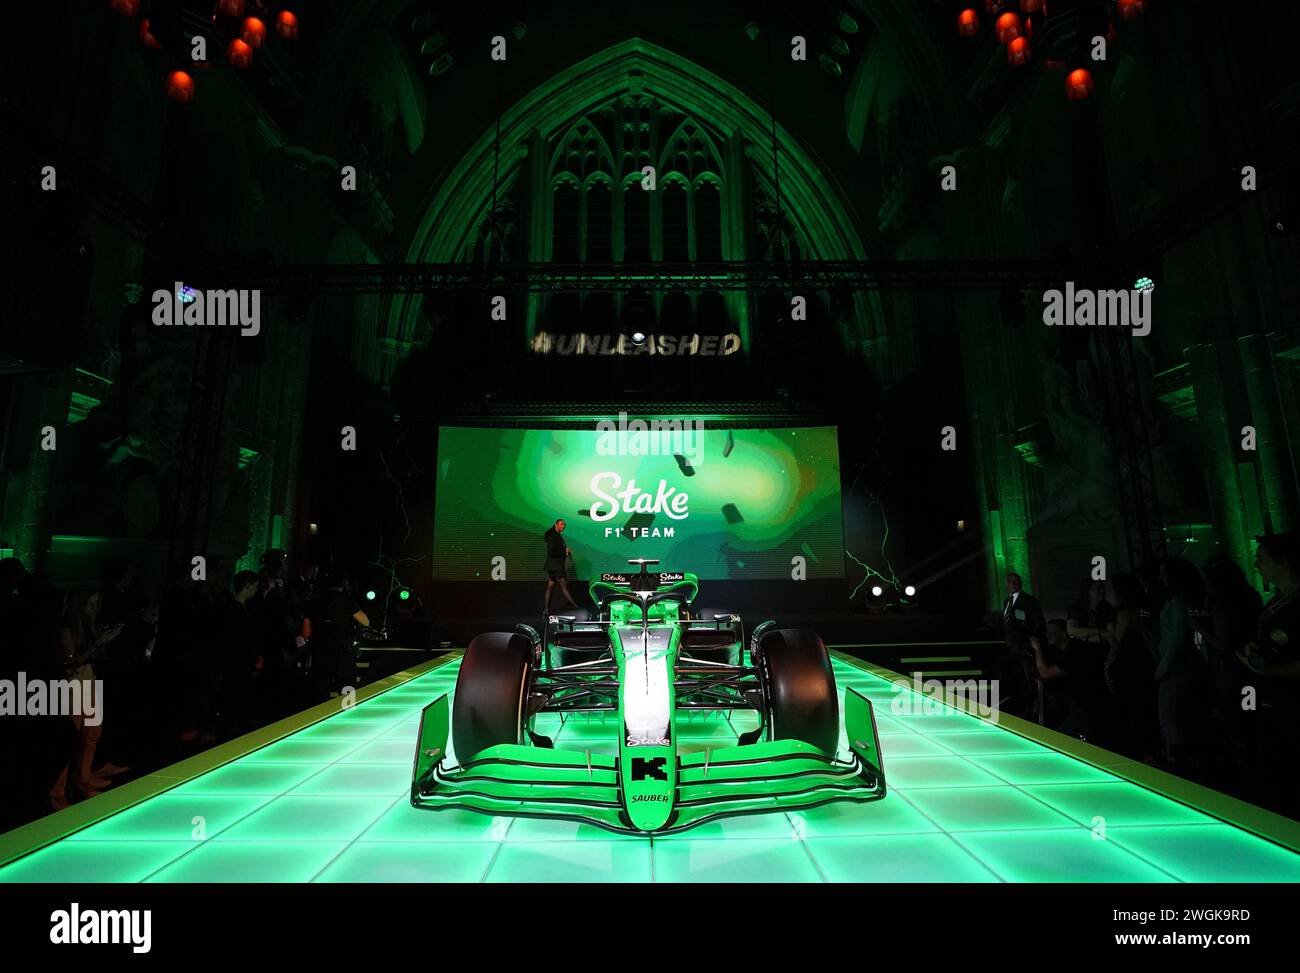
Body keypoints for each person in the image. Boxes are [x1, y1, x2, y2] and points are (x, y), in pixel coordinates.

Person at [1237, 532, 1300, 818]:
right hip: (1272, 701)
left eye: (1261, 559)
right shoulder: (1276, 603)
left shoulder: (1295, 606)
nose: (1256, 564)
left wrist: (1270, 668)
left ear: (1283, 563)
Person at [1192, 554, 1264, 797]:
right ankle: (1259, 780)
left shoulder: (1222, 604)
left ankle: (1245, 786)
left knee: (1235, 727)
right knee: (1251, 723)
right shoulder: (1250, 596)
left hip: (1229, 672)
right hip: (1252, 671)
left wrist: (1199, 626)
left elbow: (1223, 645)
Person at [1152, 558, 1210, 774]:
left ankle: (1182, 769)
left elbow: (1178, 637)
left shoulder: (1178, 600)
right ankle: (1189, 766)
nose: (1161, 577)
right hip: (1182, 667)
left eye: (1164, 572)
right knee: (1182, 719)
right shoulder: (1185, 599)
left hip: (1178, 670)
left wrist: (1164, 668)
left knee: (1173, 720)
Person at [1107, 573, 1160, 763]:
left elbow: (1117, 642)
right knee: (1147, 706)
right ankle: (1154, 751)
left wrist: (1108, 665)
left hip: (1129, 662)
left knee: (1134, 708)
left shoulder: (1124, 612)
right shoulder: (1144, 608)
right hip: (1145, 659)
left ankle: (1141, 753)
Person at [1029, 619, 1107, 739]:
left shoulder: (1073, 653)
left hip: (1088, 704)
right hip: (1084, 701)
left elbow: (1045, 673)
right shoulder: (1073, 647)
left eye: (1051, 632)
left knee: (1061, 737)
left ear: (1062, 634)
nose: (1047, 636)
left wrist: (1037, 648)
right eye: (1046, 632)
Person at [999, 572, 1045, 720]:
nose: (1011, 583)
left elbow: (1037, 623)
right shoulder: (1007, 601)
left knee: (1028, 683)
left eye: (1014, 581)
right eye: (1009, 581)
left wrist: (1030, 641)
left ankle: (1030, 713)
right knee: (1015, 682)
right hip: (1010, 647)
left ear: (1020, 583)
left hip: (1024, 648)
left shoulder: (1029, 601)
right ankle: (1018, 709)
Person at [543, 518, 580, 613]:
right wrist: (565, 551)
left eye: (563, 525)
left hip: (554, 566)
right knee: (563, 585)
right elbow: (552, 551)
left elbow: (557, 548)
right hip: (556, 566)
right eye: (561, 524)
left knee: (550, 586)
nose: (562, 526)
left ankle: (546, 608)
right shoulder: (553, 535)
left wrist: (565, 550)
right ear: (555, 524)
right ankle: (574, 605)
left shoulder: (557, 535)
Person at [1067, 579, 1115, 643]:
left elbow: (1110, 633)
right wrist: (1100, 631)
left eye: (1102, 588)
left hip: (1100, 646)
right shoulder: (1076, 607)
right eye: (1098, 589)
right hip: (1079, 646)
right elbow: (1071, 631)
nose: (1102, 591)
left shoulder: (1108, 608)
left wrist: (1087, 638)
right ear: (1087, 591)